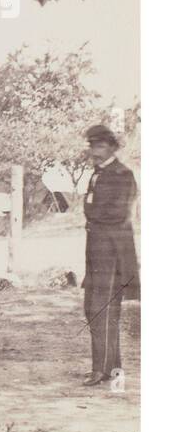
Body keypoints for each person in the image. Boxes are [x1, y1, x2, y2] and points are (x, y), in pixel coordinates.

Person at [79, 124, 139, 387]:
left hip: (113, 251)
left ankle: (101, 370)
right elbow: (90, 206)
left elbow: (116, 213)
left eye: (99, 146)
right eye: (92, 146)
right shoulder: (97, 173)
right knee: (93, 307)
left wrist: (92, 214)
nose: (94, 150)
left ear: (112, 147)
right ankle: (111, 366)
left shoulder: (122, 174)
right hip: (96, 248)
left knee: (102, 308)